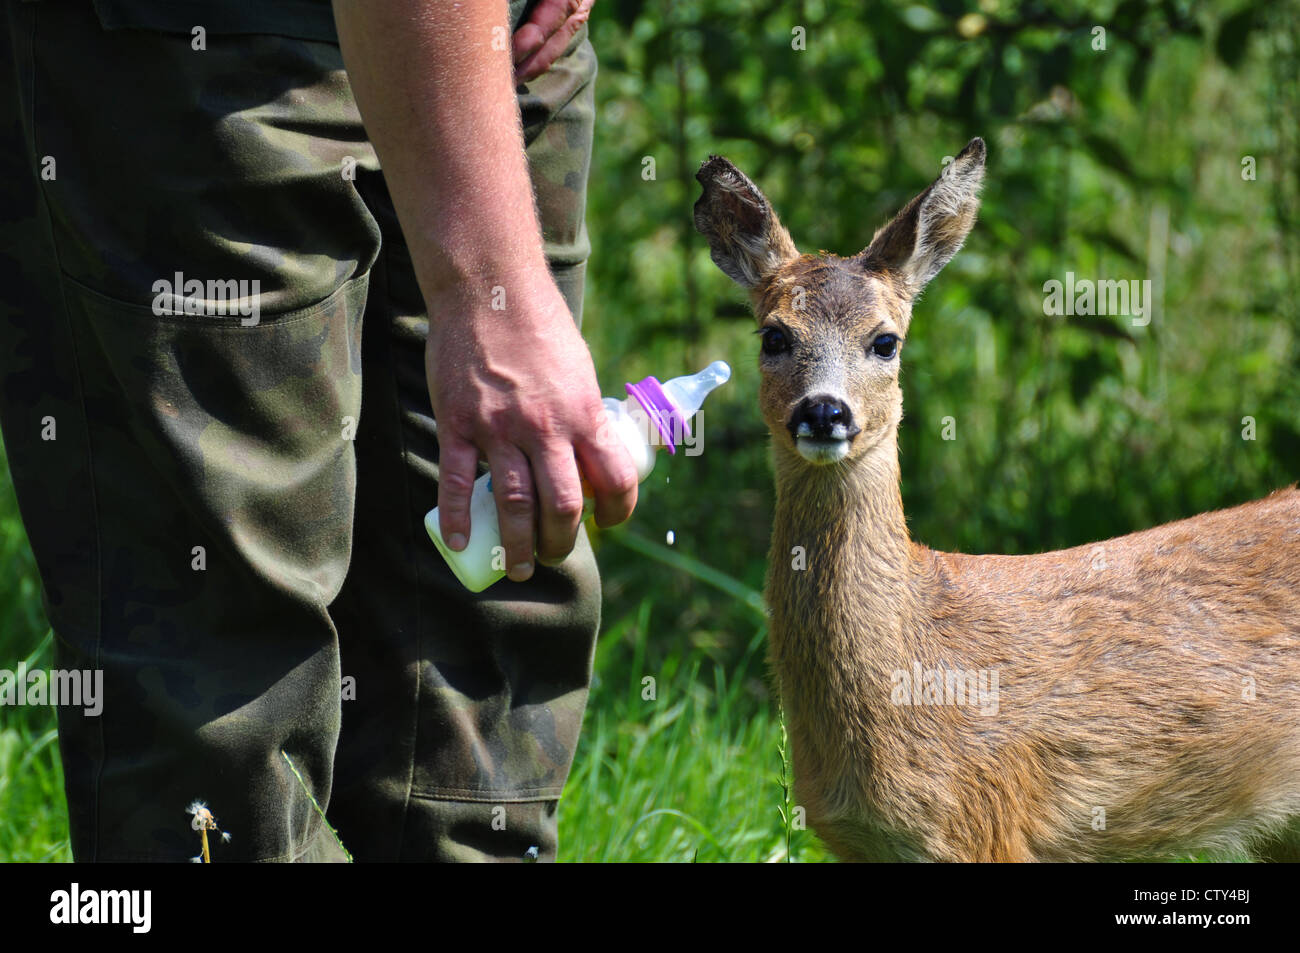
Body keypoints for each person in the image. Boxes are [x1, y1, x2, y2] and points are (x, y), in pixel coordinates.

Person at [0, 0, 636, 861]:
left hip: (507, 44)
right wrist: (492, 286)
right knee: (229, 723)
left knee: (484, 653)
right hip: (210, 54)